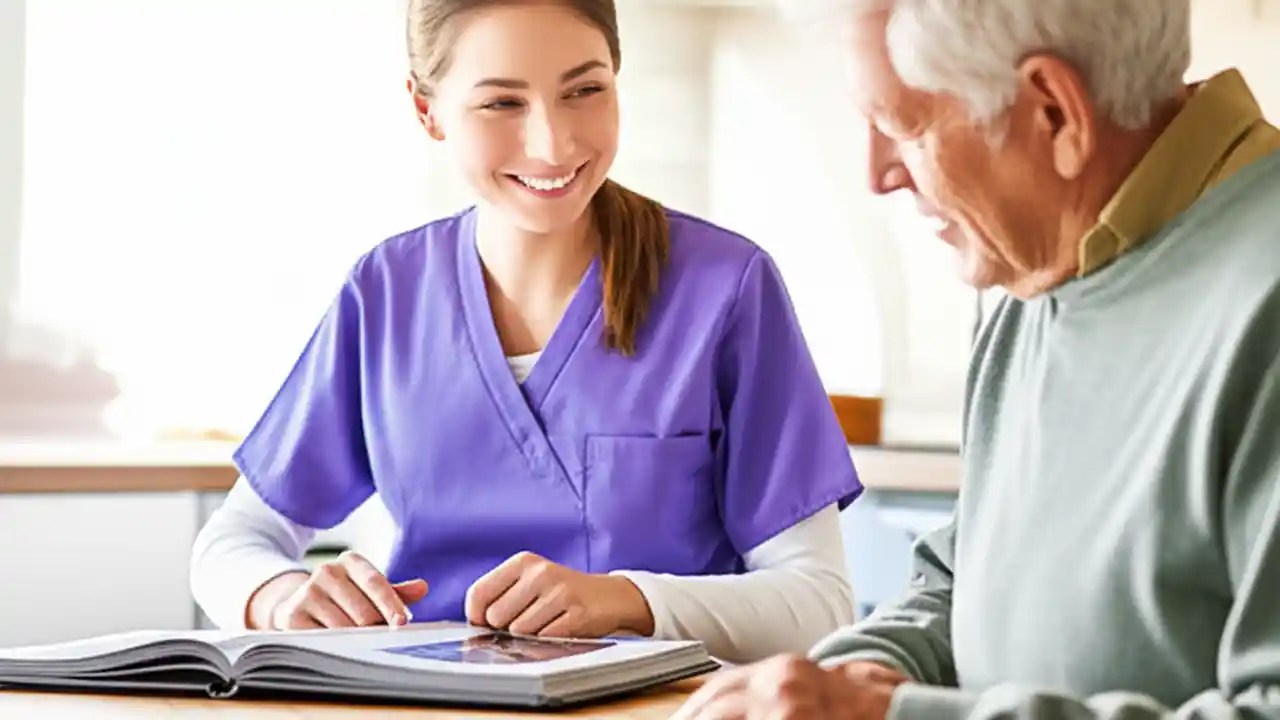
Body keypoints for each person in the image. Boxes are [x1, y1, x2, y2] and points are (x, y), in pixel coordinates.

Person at [189, 0, 863, 665]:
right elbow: (233, 541)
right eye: (502, 104)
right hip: (430, 709)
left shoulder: (724, 287)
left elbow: (818, 604)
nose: (552, 143)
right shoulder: (386, 291)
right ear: (428, 111)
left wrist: (627, 600)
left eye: (585, 90)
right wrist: (280, 596)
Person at [676, 0, 1280, 716]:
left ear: (1055, 112)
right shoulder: (1037, 277)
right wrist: (853, 676)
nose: (878, 173)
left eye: (904, 125)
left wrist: (894, 715)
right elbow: (959, 582)